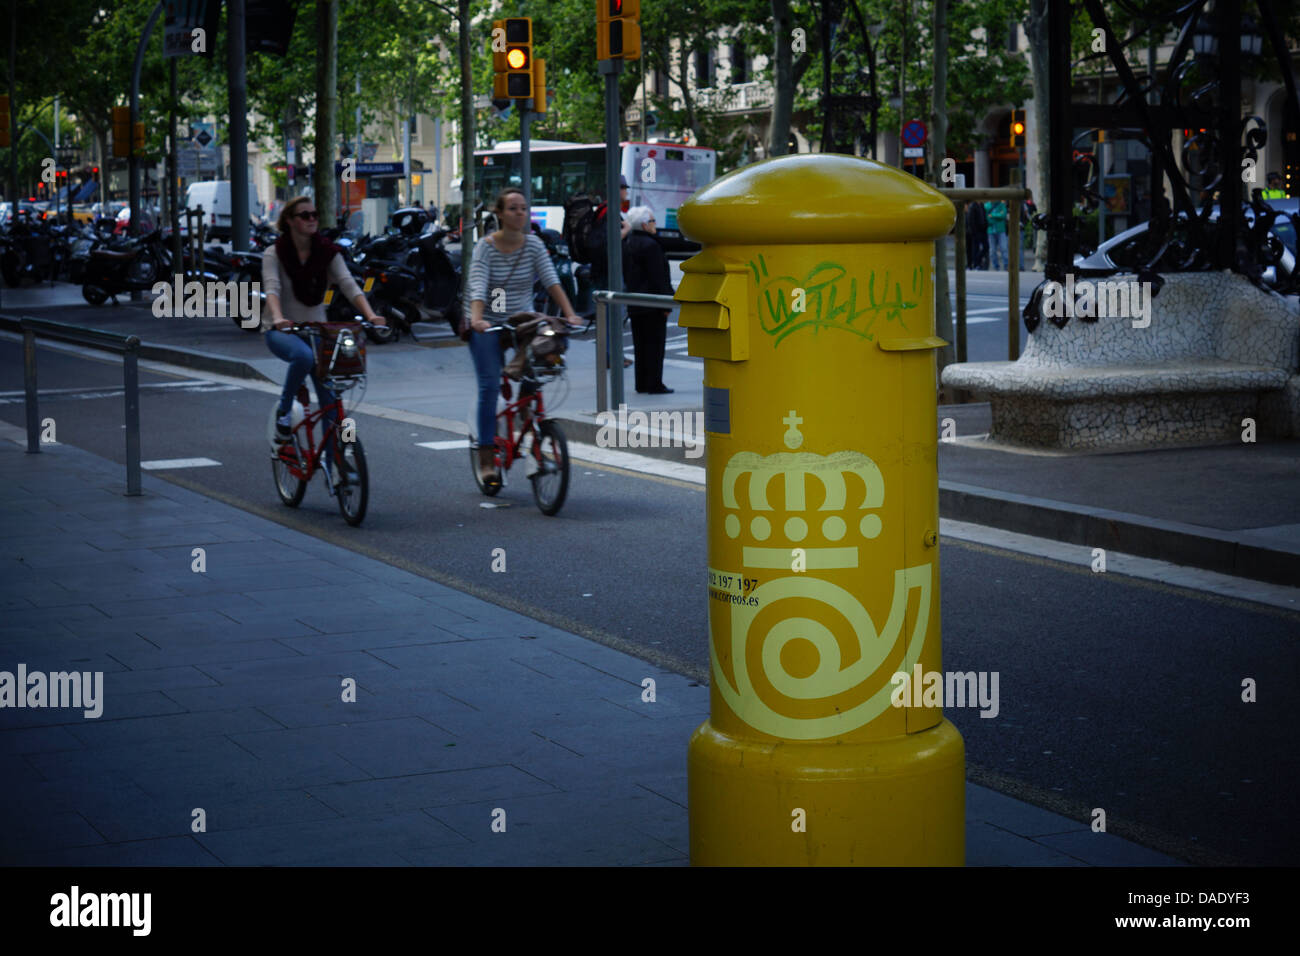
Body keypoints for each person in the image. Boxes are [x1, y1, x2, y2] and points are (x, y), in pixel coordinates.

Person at [262, 196, 384, 483]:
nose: (311, 219)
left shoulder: (327, 252)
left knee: (331, 401)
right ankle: (283, 414)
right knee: (302, 357)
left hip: (319, 330)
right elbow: (272, 288)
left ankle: (336, 465)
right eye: (304, 215)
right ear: (290, 221)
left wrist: (372, 315)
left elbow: (348, 284)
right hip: (281, 331)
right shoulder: (275, 253)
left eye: (314, 214)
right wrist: (279, 318)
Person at [467, 188, 582, 489]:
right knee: (490, 386)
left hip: (523, 322)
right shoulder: (485, 247)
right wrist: (477, 318)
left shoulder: (533, 245)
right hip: (489, 323)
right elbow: (478, 285)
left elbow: (551, 280)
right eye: (513, 208)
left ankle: (525, 408)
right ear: (500, 214)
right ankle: (486, 455)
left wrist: (569, 314)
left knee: (548, 352)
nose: (520, 213)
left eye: (524, 208)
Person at [622, 206, 675, 394]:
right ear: (645, 225)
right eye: (653, 221)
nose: (655, 224)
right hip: (652, 303)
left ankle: (642, 383)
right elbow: (658, 277)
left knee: (640, 345)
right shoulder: (651, 245)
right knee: (655, 344)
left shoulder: (628, 242)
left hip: (635, 301)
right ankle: (654, 383)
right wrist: (667, 302)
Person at [587, 176, 633, 370]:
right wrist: (627, 230)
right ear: (618, 190)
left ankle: (610, 355)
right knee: (614, 316)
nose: (626, 192)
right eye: (623, 188)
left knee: (606, 316)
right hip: (609, 270)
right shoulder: (611, 212)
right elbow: (612, 240)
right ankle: (612, 357)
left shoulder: (601, 210)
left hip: (599, 269)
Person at [985, 199, 1008, 271]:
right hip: (991, 230)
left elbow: (1003, 215)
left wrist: (992, 215)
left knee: (1004, 248)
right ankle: (996, 267)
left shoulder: (1001, 205)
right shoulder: (986, 205)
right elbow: (987, 218)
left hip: (1001, 230)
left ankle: (1006, 266)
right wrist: (998, 215)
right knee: (992, 250)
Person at [965, 199, 988, 270]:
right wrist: (973, 231)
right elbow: (971, 219)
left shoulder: (981, 205)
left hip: (982, 230)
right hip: (975, 231)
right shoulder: (973, 206)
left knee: (985, 247)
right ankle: (975, 264)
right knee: (974, 248)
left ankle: (976, 262)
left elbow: (984, 216)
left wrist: (985, 226)